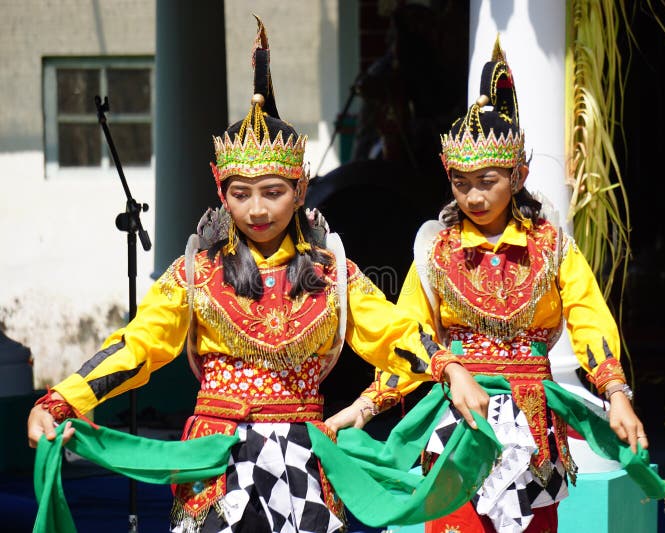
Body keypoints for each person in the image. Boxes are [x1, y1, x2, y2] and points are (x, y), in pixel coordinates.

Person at [26, 16, 488, 533]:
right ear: (220, 191)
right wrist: (64, 398)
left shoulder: (331, 273)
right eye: (240, 193)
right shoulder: (197, 273)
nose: (257, 209)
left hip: (304, 461)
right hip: (217, 464)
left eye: (273, 192)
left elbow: (393, 332)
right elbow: (139, 344)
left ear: (301, 189)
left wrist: (451, 368)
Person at [333, 40, 649, 533]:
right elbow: (412, 337)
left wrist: (617, 394)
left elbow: (590, 319)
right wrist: (366, 403)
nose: (474, 196)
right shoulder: (435, 253)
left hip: (532, 422)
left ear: (518, 175)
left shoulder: (553, 247)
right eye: (462, 183)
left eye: (488, 181)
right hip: (460, 419)